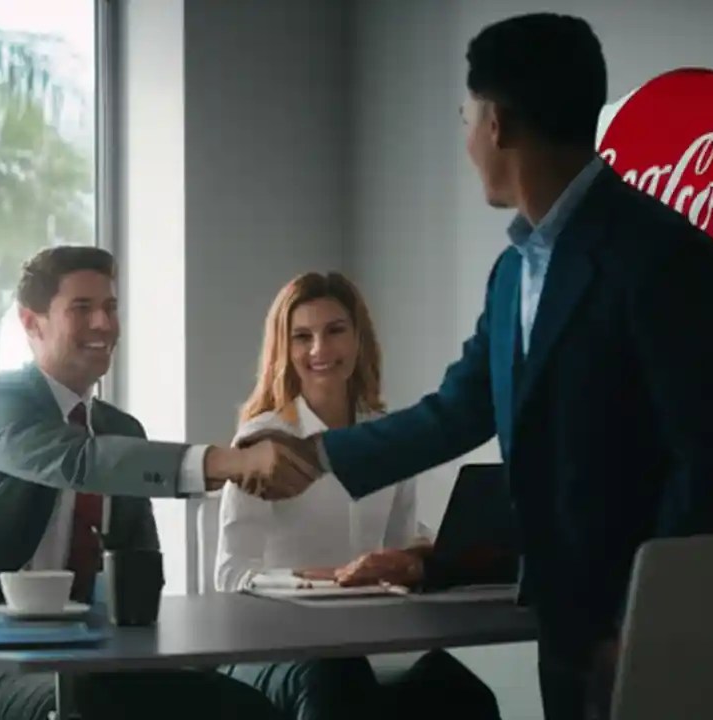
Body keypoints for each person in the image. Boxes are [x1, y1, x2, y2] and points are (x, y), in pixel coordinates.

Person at [240, 13, 713, 720]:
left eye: (466, 118)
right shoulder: (514, 273)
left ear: (498, 124)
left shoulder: (666, 257)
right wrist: (316, 454)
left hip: (647, 633)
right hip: (567, 625)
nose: (466, 141)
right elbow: (459, 411)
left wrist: (650, 625)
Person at [0, 245, 310, 720]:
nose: (103, 323)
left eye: (111, 307)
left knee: (245, 707)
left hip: (89, 653)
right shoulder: (2, 405)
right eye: (82, 308)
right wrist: (223, 462)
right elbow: (78, 461)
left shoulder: (122, 430)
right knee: (84, 704)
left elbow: (139, 568)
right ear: (32, 323)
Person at [215, 272, 501, 720]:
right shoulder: (261, 444)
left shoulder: (389, 438)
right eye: (302, 337)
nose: (320, 349)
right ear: (284, 349)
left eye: (335, 331)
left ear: (358, 338)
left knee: (464, 693)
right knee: (337, 679)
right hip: (272, 647)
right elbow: (230, 574)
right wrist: (312, 579)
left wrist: (415, 560)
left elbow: (400, 548)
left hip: (370, 645)